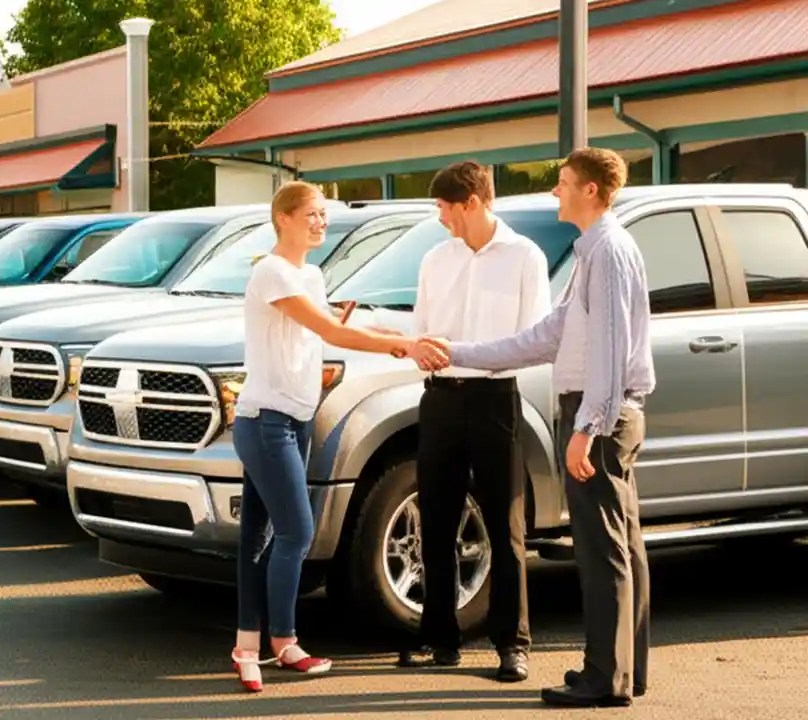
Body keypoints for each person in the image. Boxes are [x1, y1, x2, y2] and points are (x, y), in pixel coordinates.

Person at [413, 147, 654, 708]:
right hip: (600, 412)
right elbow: (544, 337)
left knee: (603, 551)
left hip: (602, 416)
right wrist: (460, 351)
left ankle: (606, 678)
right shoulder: (592, 251)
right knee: (622, 546)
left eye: (564, 182)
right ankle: (624, 671)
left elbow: (610, 352)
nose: (555, 191)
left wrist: (587, 427)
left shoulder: (609, 251)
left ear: (590, 190)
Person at [230, 180, 435, 693]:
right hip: (264, 421)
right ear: (284, 219)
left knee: (258, 537)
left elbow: (318, 334)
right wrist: (403, 345)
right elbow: (332, 333)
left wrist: (385, 333)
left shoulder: (312, 275)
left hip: (296, 417)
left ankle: (245, 647)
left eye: (324, 214)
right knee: (297, 532)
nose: (322, 221)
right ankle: (285, 642)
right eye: (313, 214)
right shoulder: (270, 272)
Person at [399, 161, 550, 683]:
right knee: (434, 522)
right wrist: (419, 351)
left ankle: (512, 643)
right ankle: (438, 638)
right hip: (438, 400)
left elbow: (534, 340)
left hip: (494, 400)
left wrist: (472, 353)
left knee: (505, 524)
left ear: (471, 202)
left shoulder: (525, 257)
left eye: (443, 207)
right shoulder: (435, 260)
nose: (439, 217)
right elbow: (419, 327)